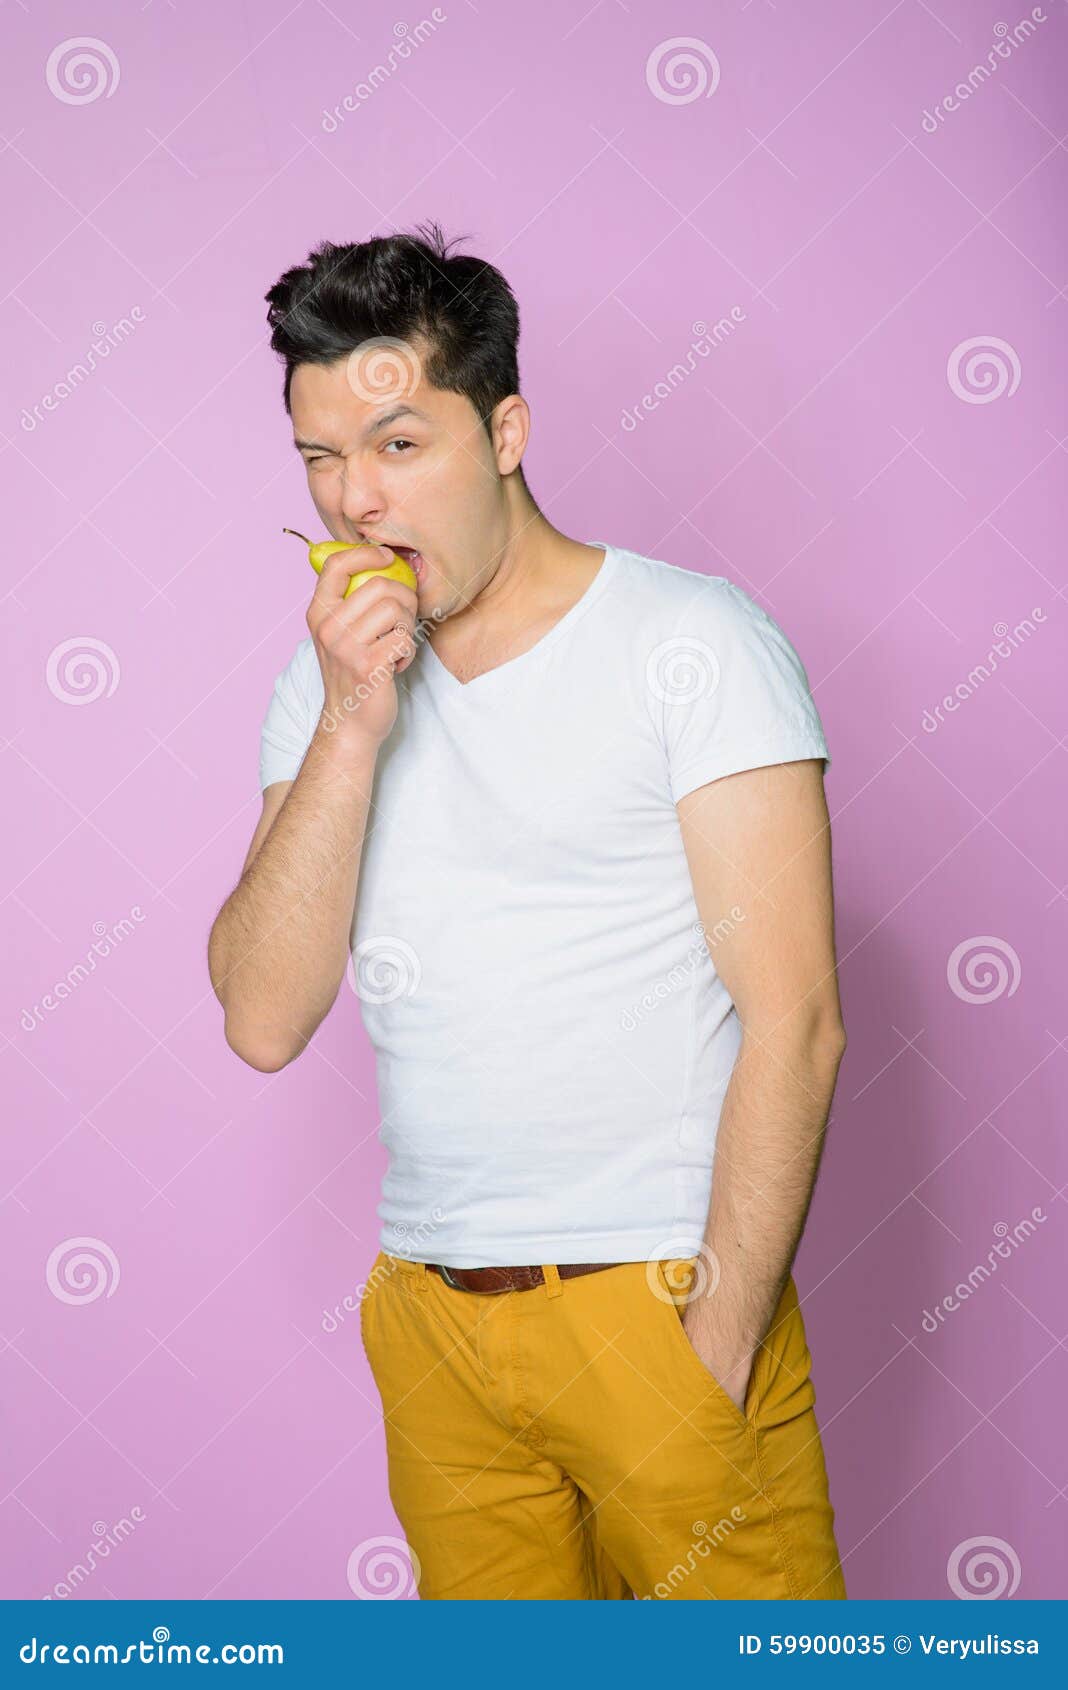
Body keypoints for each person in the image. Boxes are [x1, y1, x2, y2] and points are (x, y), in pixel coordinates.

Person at [208, 222, 849, 1601]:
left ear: (505, 432)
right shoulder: (326, 686)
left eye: (398, 444)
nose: (355, 500)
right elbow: (262, 1017)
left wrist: (719, 1338)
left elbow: (797, 1022)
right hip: (434, 1321)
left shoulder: (691, 644)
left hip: (659, 1301)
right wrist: (350, 726)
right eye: (321, 458)